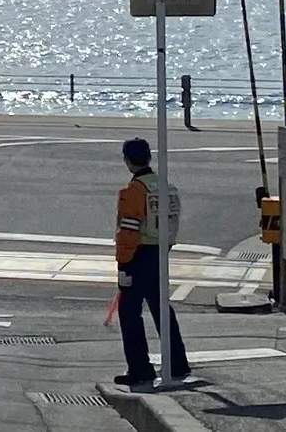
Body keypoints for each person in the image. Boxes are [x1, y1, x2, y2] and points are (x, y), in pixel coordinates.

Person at [114, 137, 191, 386]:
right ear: (148, 157)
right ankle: (178, 363)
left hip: (138, 255)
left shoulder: (133, 191)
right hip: (161, 251)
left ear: (127, 161)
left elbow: (129, 230)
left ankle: (140, 368)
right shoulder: (165, 186)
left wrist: (123, 262)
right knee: (161, 309)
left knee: (129, 313)